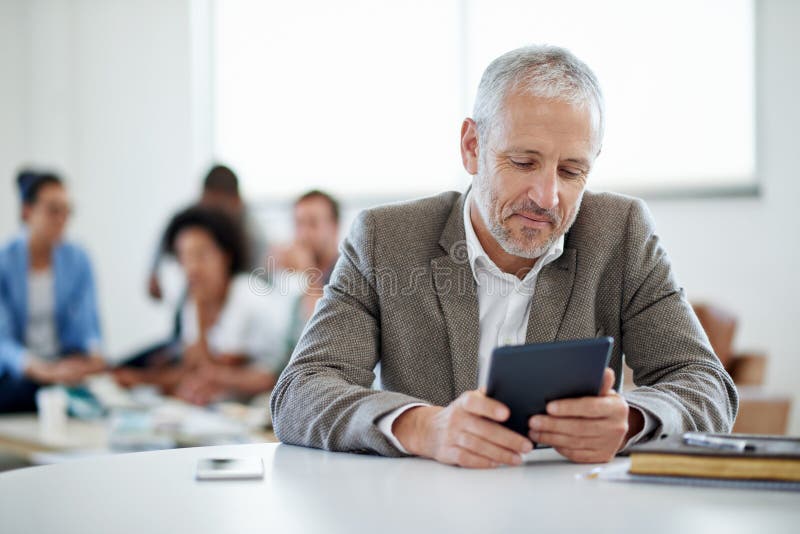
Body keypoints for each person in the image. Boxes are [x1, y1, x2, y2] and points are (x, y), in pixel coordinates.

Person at [270, 45, 738, 468]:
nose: (547, 197)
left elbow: (707, 384)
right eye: (524, 162)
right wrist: (424, 427)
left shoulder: (621, 234)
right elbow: (299, 392)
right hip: (424, 510)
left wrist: (631, 421)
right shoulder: (385, 239)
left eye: (571, 171)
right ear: (472, 147)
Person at [117, 206, 287, 405]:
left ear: (225, 255)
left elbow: (215, 369)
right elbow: (192, 367)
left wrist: (144, 379)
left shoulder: (246, 295)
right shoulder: (194, 299)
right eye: (184, 257)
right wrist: (139, 379)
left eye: (201, 255)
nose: (192, 267)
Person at [0, 170, 105, 412]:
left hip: (62, 361)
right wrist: (42, 370)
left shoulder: (78, 259)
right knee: (24, 389)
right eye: (53, 210)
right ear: (27, 212)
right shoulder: (4, 262)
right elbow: (2, 343)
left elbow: (88, 325)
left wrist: (92, 355)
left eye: (67, 211)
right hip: (21, 370)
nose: (62, 219)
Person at [147, 164, 269, 301]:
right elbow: (154, 282)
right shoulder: (186, 222)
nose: (214, 220)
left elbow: (262, 288)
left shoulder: (254, 234)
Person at [271, 190, 341, 353]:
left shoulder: (347, 275)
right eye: (298, 224)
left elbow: (324, 336)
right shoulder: (296, 277)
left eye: (312, 224)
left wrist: (308, 272)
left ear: (334, 227)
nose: (303, 235)